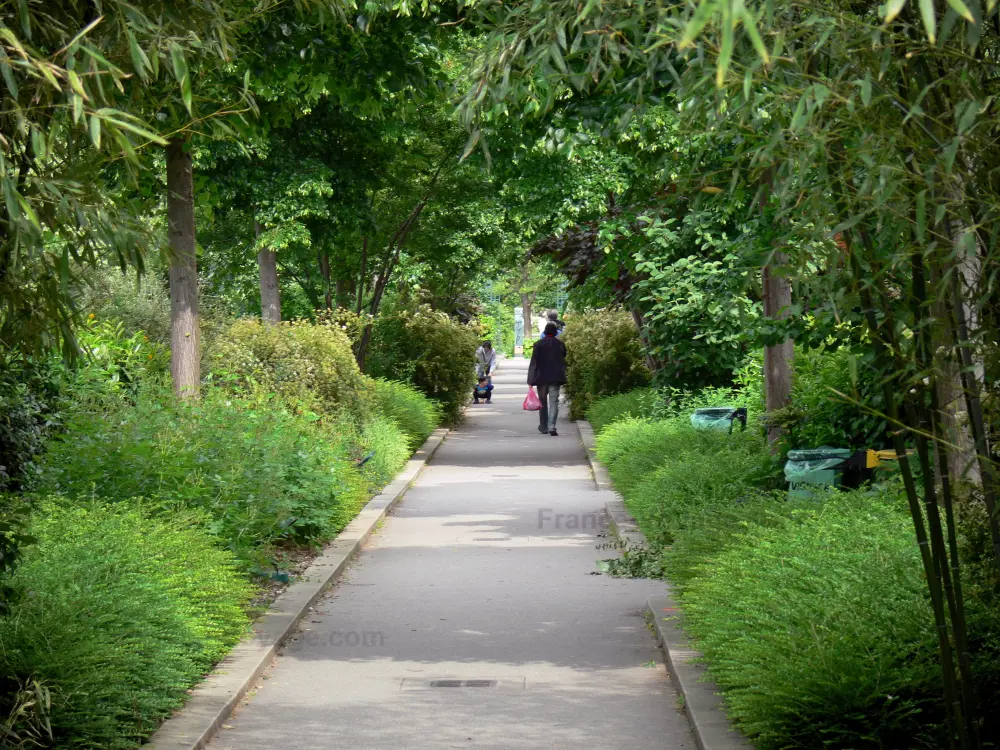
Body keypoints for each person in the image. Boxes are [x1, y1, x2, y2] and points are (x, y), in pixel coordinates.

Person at [527, 322, 567, 436]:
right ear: (555, 332)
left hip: (541, 378)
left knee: (542, 402)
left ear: (545, 331)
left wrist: (530, 380)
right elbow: (563, 357)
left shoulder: (538, 344)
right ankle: (552, 426)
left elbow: (533, 362)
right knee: (554, 402)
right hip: (555, 377)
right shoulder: (560, 344)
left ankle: (543, 426)